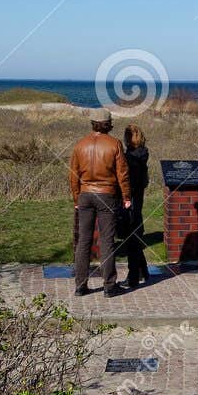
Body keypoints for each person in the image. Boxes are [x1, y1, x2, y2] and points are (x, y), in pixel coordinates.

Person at [68, 107, 130, 297]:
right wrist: (126, 197)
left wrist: (76, 197)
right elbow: (123, 173)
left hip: (85, 195)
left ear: (92, 123)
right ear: (108, 124)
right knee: (107, 240)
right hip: (107, 195)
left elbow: (73, 175)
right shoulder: (115, 144)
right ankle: (109, 285)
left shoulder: (80, 145)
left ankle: (80, 285)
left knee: (83, 241)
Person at [119, 124, 151, 289]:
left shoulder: (130, 158)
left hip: (130, 202)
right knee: (135, 237)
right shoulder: (143, 154)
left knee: (131, 240)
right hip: (138, 201)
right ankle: (143, 271)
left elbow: (127, 181)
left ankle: (133, 277)